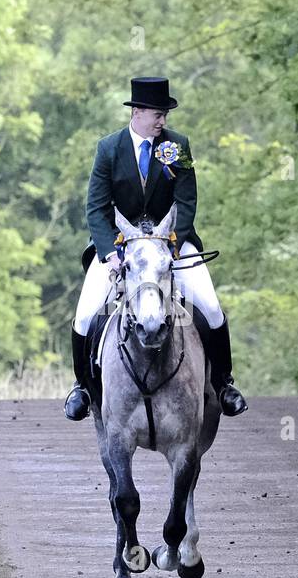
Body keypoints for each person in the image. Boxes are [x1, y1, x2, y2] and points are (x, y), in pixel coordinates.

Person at [62, 76, 247, 421]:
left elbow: (187, 200)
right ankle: (82, 388)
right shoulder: (109, 148)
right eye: (157, 114)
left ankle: (224, 383)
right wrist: (110, 253)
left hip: (171, 242)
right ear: (137, 112)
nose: (162, 121)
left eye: (165, 114)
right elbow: (96, 209)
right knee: (86, 313)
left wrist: (172, 243)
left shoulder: (178, 146)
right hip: (121, 246)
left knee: (211, 304)